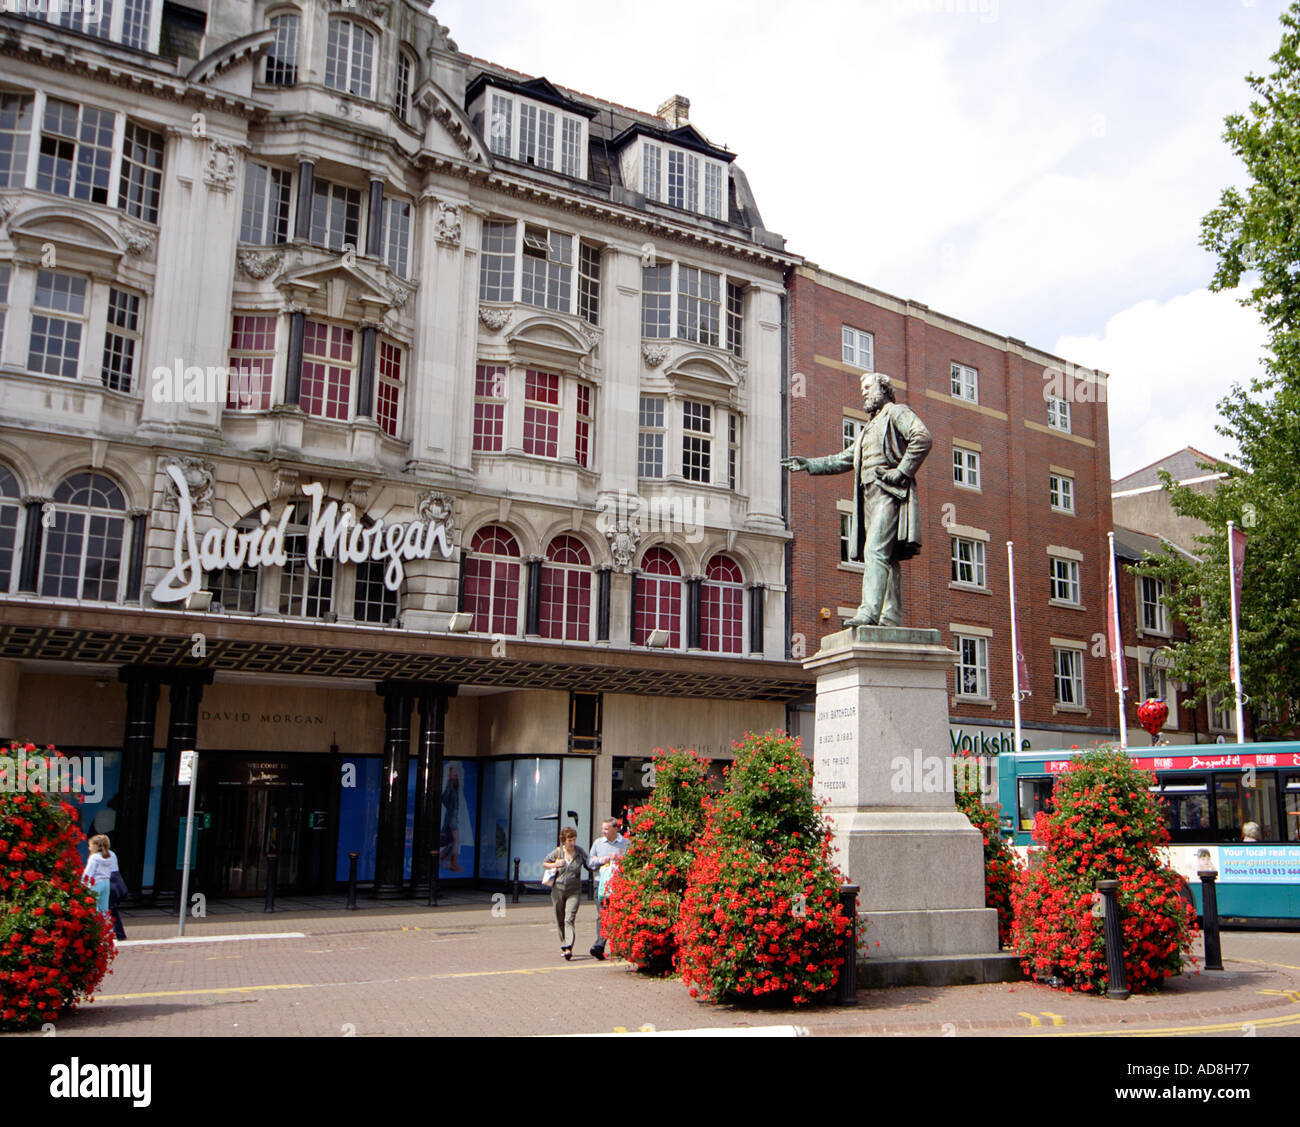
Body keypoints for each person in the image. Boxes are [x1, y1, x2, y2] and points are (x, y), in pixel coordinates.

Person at [783, 371, 932, 626]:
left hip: (889, 492)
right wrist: (809, 464)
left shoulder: (897, 412)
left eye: (868, 387)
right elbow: (842, 459)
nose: (863, 392)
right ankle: (891, 617)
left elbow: (922, 437)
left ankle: (869, 612)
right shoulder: (866, 431)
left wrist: (902, 470)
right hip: (869, 497)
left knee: (875, 550)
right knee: (888, 556)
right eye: (862, 388)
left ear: (884, 389)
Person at [542, 826, 591, 960]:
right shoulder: (558, 852)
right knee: (560, 918)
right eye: (570, 840)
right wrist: (555, 864)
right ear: (564, 841)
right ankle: (563, 943)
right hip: (557, 889)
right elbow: (545, 863)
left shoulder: (579, 852)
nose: (572, 843)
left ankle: (568, 946)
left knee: (569, 918)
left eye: (574, 840)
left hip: (574, 890)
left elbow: (589, 864)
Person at [587, 817, 630, 960]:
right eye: (602, 828)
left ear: (615, 829)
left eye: (606, 829)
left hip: (619, 884)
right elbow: (590, 862)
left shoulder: (625, 843)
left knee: (617, 915)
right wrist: (600, 860)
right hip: (601, 885)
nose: (603, 831)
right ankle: (599, 945)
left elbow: (633, 862)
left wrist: (620, 859)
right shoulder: (598, 843)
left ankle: (617, 947)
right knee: (603, 914)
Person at [82, 834, 116, 934]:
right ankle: (107, 930)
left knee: (93, 907)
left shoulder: (94, 858)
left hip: (96, 883)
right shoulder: (109, 856)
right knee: (104, 909)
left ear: (96, 846)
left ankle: (93, 929)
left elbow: (88, 873)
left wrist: (83, 884)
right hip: (106, 883)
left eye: (90, 845)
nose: (88, 848)